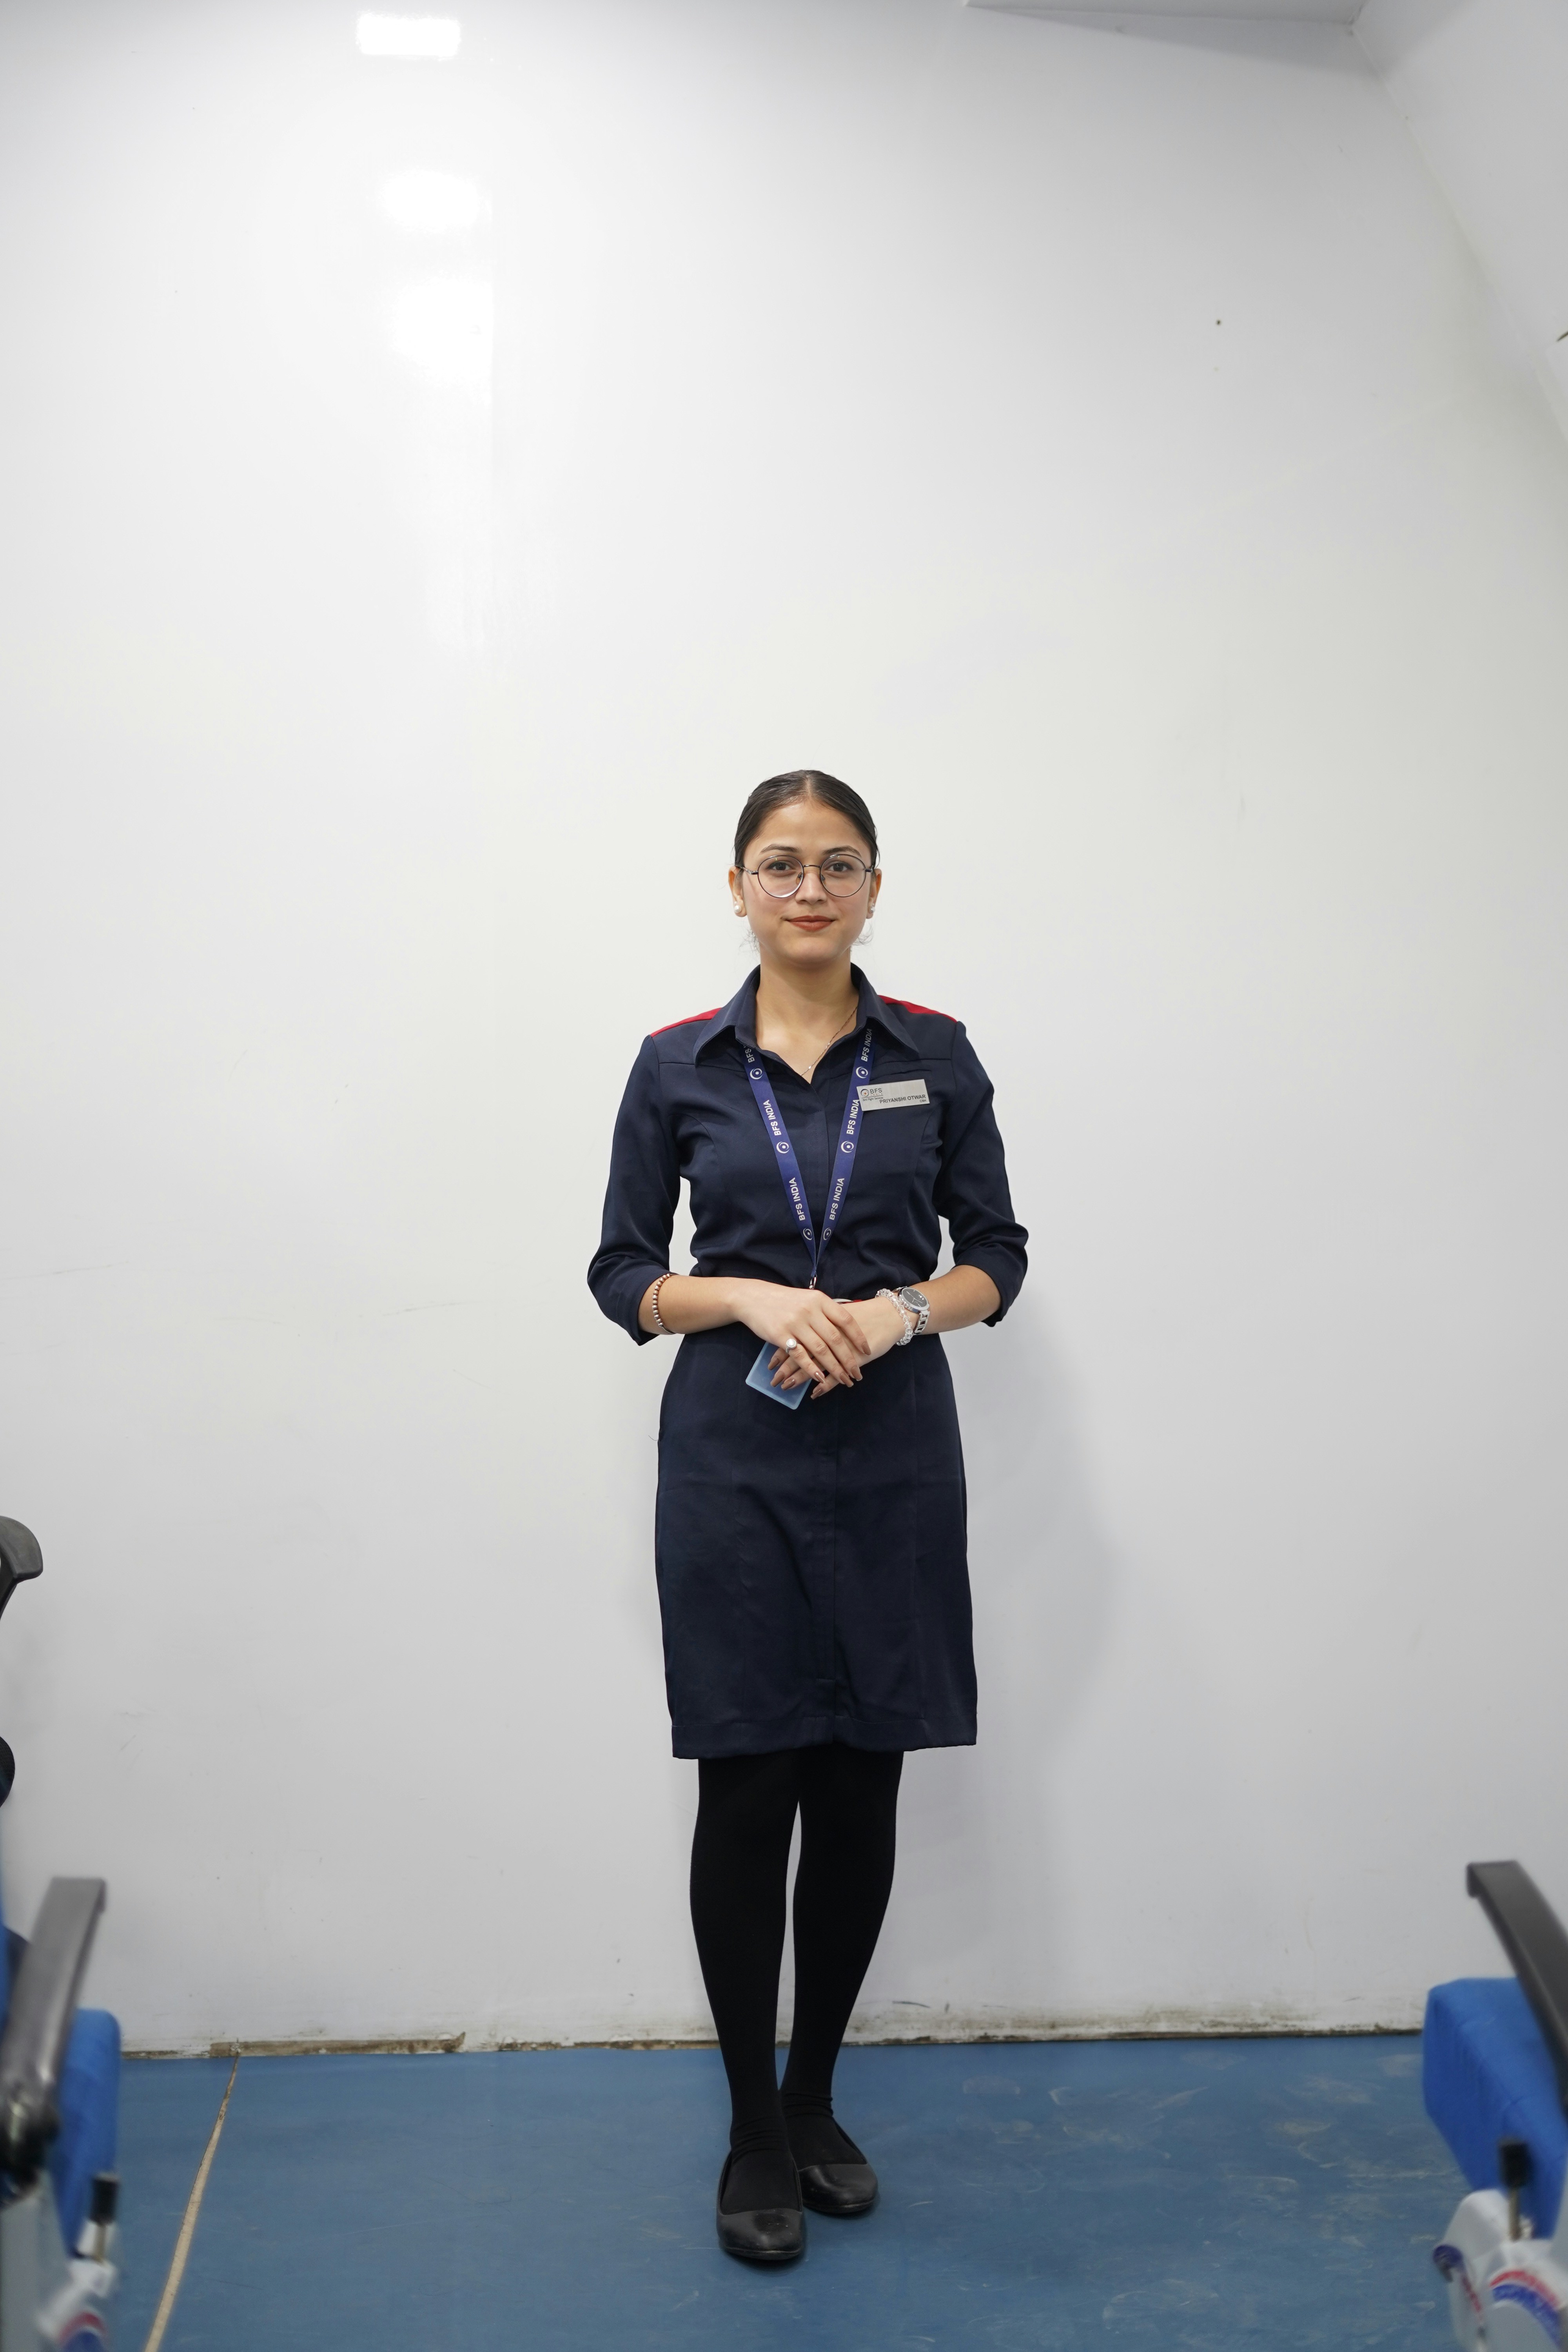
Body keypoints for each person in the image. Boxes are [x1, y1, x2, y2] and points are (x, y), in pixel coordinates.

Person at [588, 770, 1027, 2264]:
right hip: (735, 1462)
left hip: (895, 1454)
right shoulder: (677, 1065)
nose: (810, 890)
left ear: (875, 888)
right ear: (737, 887)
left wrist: (901, 1316)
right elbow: (621, 1274)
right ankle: (752, 2131)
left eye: (840, 865)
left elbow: (999, 1257)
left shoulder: (937, 1055)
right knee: (750, 1782)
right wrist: (755, 1293)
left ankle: (820, 2090)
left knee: (860, 1789)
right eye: (781, 865)